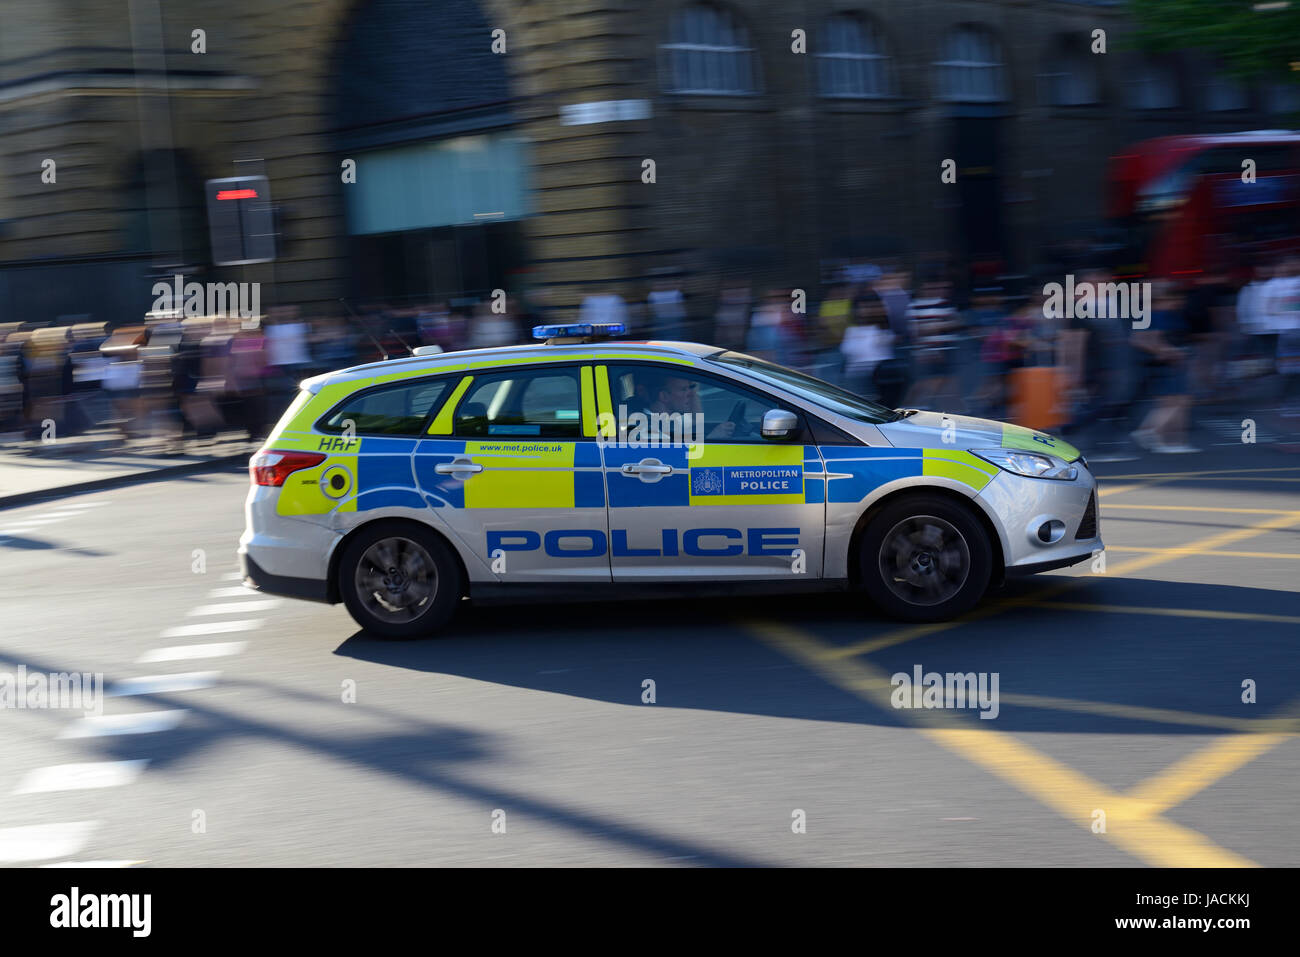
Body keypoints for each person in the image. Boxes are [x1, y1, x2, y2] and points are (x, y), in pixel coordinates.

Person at [1131, 282, 1198, 453]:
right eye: (1176, 298)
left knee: (1168, 402)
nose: (1179, 301)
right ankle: (1152, 432)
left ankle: (1169, 441)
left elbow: (1137, 338)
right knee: (1180, 400)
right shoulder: (1161, 315)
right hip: (1167, 363)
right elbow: (1150, 338)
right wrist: (1170, 351)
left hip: (1157, 363)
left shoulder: (1147, 314)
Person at [840, 292, 895, 403]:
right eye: (864, 307)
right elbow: (848, 351)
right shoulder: (852, 331)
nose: (869, 311)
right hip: (857, 381)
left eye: (872, 307)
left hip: (880, 380)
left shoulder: (884, 331)